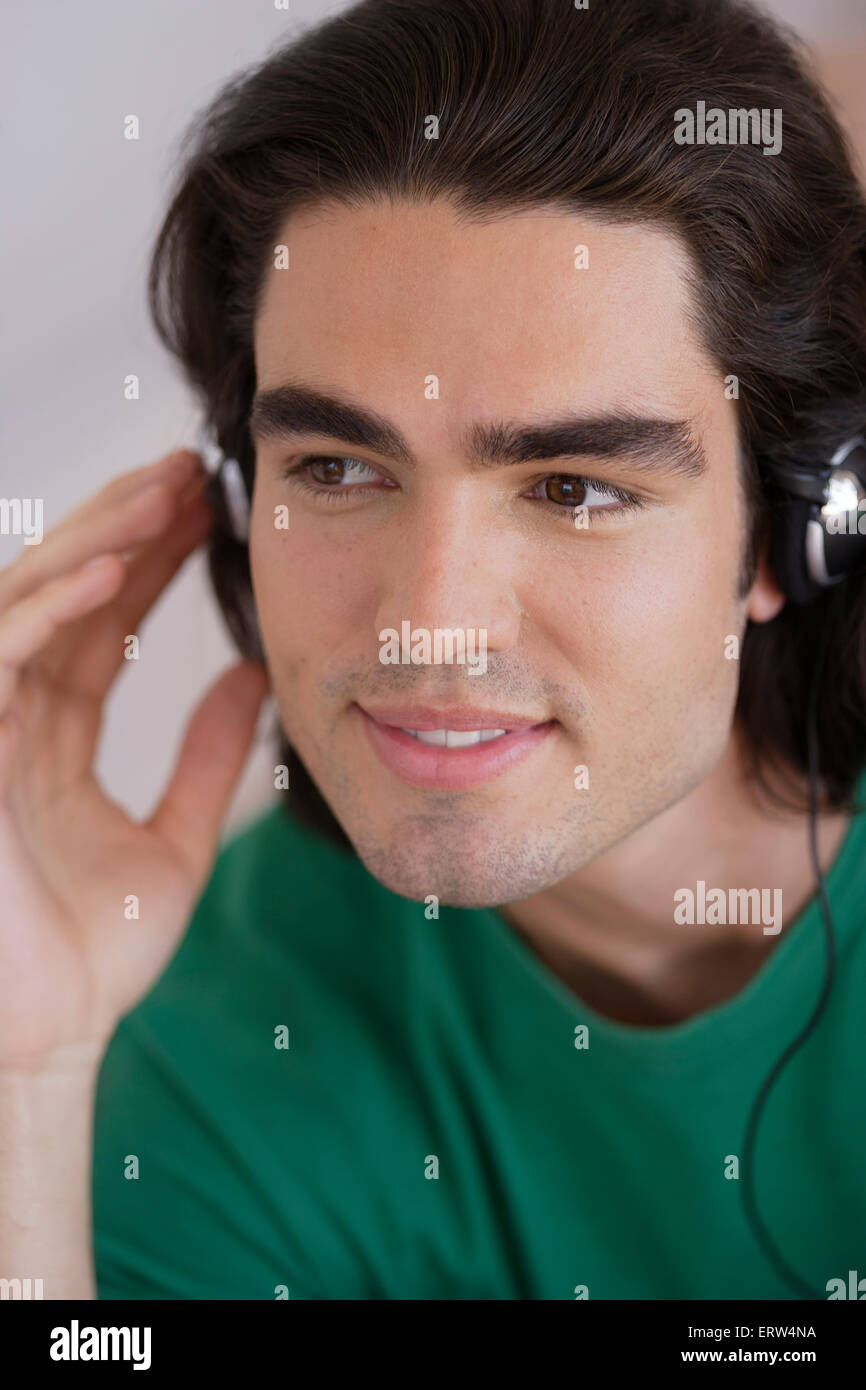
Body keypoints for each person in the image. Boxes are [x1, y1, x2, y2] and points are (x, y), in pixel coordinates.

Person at [2, 0, 866, 1302]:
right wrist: (26, 1084)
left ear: (786, 527)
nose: (432, 620)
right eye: (339, 467)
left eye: (574, 487)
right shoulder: (206, 1045)